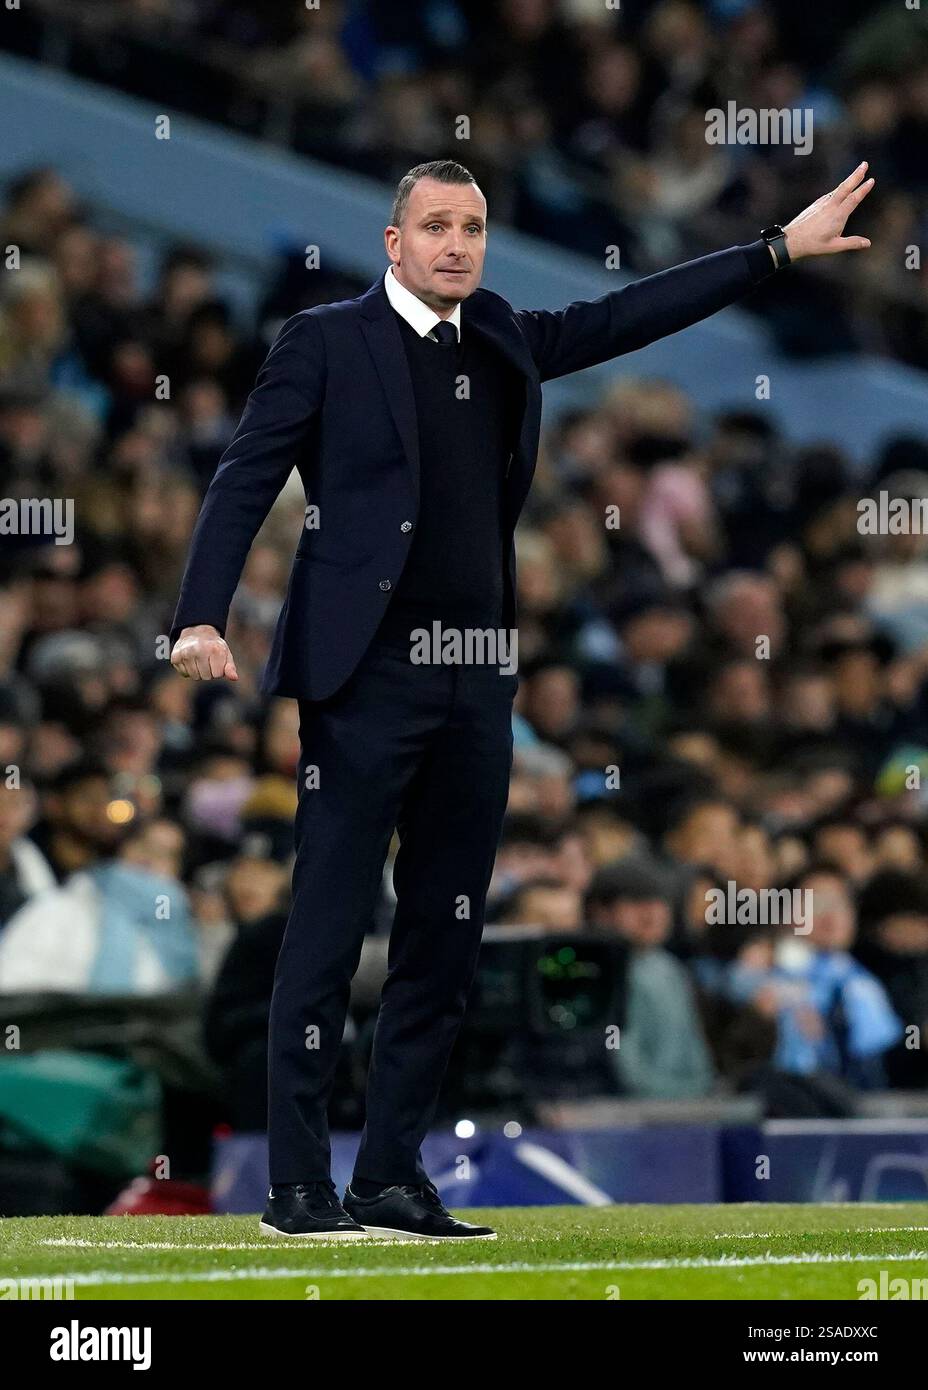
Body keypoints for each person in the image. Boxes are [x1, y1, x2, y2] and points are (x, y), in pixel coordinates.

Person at [168, 157, 875, 1240]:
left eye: (474, 226)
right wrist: (200, 614)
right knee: (326, 925)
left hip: (476, 676)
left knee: (446, 937)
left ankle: (392, 1173)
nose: (457, 243)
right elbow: (245, 475)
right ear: (394, 242)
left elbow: (628, 314)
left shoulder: (498, 334)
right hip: (362, 674)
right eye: (436, 226)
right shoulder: (322, 341)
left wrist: (773, 247)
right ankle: (299, 1182)